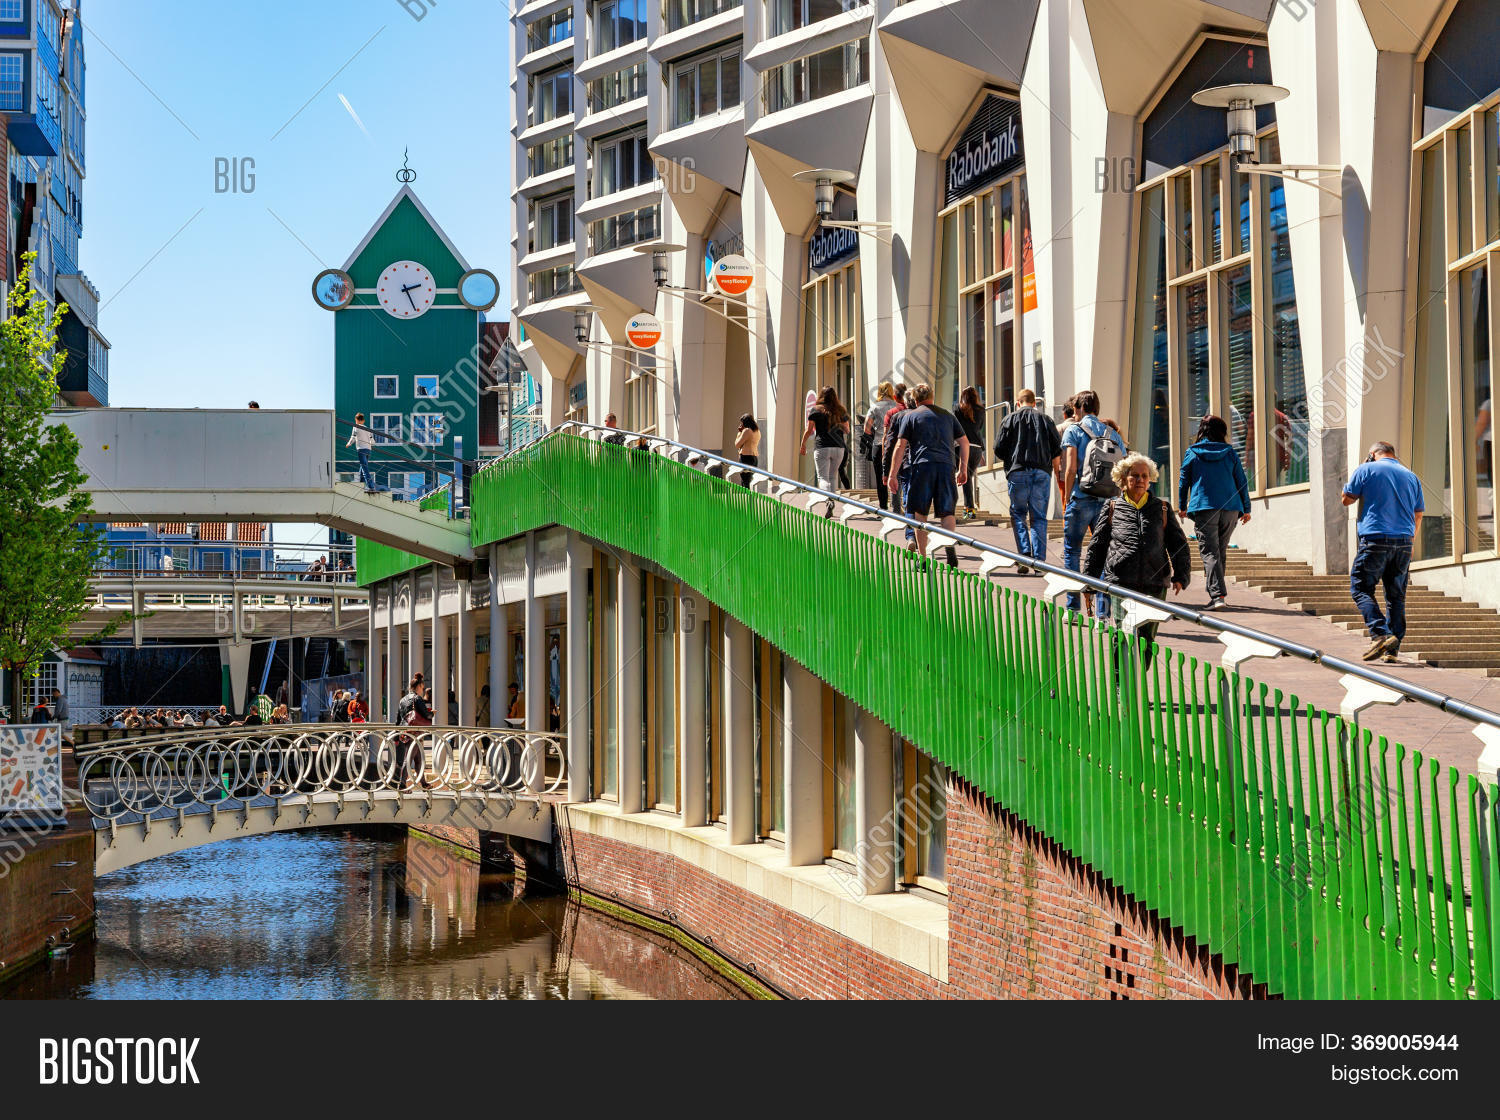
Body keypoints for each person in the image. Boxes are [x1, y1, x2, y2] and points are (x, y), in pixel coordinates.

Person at [1082, 454, 1191, 650]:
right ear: (1124, 478)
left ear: (1150, 480)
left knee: (1146, 641)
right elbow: (1097, 546)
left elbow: (1178, 544)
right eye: (1135, 475)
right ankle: (1120, 672)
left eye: (1144, 476)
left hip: (1155, 584)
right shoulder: (1112, 507)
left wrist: (1181, 575)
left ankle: (1141, 670)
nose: (1140, 480)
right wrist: (1089, 583)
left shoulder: (1162, 508)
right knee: (1121, 637)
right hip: (1121, 583)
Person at [1342, 441, 1424, 662]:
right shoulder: (1411, 476)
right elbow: (1418, 514)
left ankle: (1380, 633)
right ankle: (1392, 651)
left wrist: (1360, 471)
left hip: (1376, 539)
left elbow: (1346, 499)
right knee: (1396, 596)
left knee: (1360, 587)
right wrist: (1411, 541)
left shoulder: (1366, 469)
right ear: (1393, 455)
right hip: (1404, 542)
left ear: (1372, 454)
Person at [886, 382, 969, 568]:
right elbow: (964, 442)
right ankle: (949, 546)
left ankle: (923, 558)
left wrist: (892, 475)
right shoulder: (948, 415)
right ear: (932, 396)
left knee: (920, 513)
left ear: (915, 399)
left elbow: (900, 446)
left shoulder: (911, 416)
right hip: (946, 466)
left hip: (921, 467)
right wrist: (962, 468)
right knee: (947, 512)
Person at [1061, 389, 1126, 615]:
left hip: (1080, 498)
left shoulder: (1073, 430)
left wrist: (1066, 497)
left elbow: (1070, 469)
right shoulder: (1113, 434)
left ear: (1078, 408)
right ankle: (1102, 614)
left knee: (1072, 552)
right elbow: (1122, 469)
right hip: (1107, 502)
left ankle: (1073, 609)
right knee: (1103, 554)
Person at [1177, 415, 1251, 611]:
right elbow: (1241, 481)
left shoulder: (1192, 452)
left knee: (1210, 552)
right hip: (1231, 508)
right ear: (1222, 431)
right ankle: (1219, 594)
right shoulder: (1230, 453)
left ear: (1201, 430)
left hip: (1205, 507)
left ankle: (1217, 596)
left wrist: (1182, 505)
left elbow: (1184, 480)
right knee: (1219, 551)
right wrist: (1246, 508)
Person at [992, 388, 1062, 573]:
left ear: (1017, 403)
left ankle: (1024, 557)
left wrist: (1011, 458)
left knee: (1018, 514)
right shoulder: (1046, 420)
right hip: (1041, 472)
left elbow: (998, 448)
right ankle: (1039, 563)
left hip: (1017, 471)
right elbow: (1057, 448)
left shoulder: (1009, 419)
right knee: (1039, 517)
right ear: (1034, 402)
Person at [798, 386, 850, 518]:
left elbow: (809, 430)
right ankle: (831, 501)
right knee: (832, 477)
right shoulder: (841, 410)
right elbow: (847, 430)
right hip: (839, 448)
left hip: (822, 447)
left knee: (823, 477)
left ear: (821, 395)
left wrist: (803, 444)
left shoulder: (816, 410)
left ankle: (829, 500)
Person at [863, 382, 901, 510]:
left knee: (880, 477)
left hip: (879, 445)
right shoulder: (897, 406)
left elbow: (866, 428)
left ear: (879, 392)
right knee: (896, 474)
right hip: (896, 445)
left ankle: (883, 507)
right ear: (891, 391)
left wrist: (875, 432)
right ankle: (896, 506)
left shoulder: (874, 407)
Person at [955, 387, 986, 519]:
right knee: (967, 479)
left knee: (965, 478)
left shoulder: (958, 409)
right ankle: (969, 510)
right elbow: (980, 428)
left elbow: (955, 428)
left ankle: (969, 511)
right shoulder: (981, 410)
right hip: (977, 448)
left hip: (962, 447)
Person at [347, 413, 377, 491]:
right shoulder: (367, 428)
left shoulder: (355, 427)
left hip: (361, 449)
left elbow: (353, 437)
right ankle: (361, 485)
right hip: (368, 449)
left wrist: (349, 444)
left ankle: (371, 486)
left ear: (356, 420)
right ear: (363, 420)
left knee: (364, 468)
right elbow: (372, 440)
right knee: (363, 467)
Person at [734, 413, 761, 488]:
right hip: (754, 458)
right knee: (750, 480)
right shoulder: (757, 431)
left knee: (745, 481)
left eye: (742, 423)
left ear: (745, 423)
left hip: (745, 457)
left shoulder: (746, 430)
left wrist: (739, 432)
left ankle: (746, 495)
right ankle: (749, 495)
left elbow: (737, 444)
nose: (741, 425)